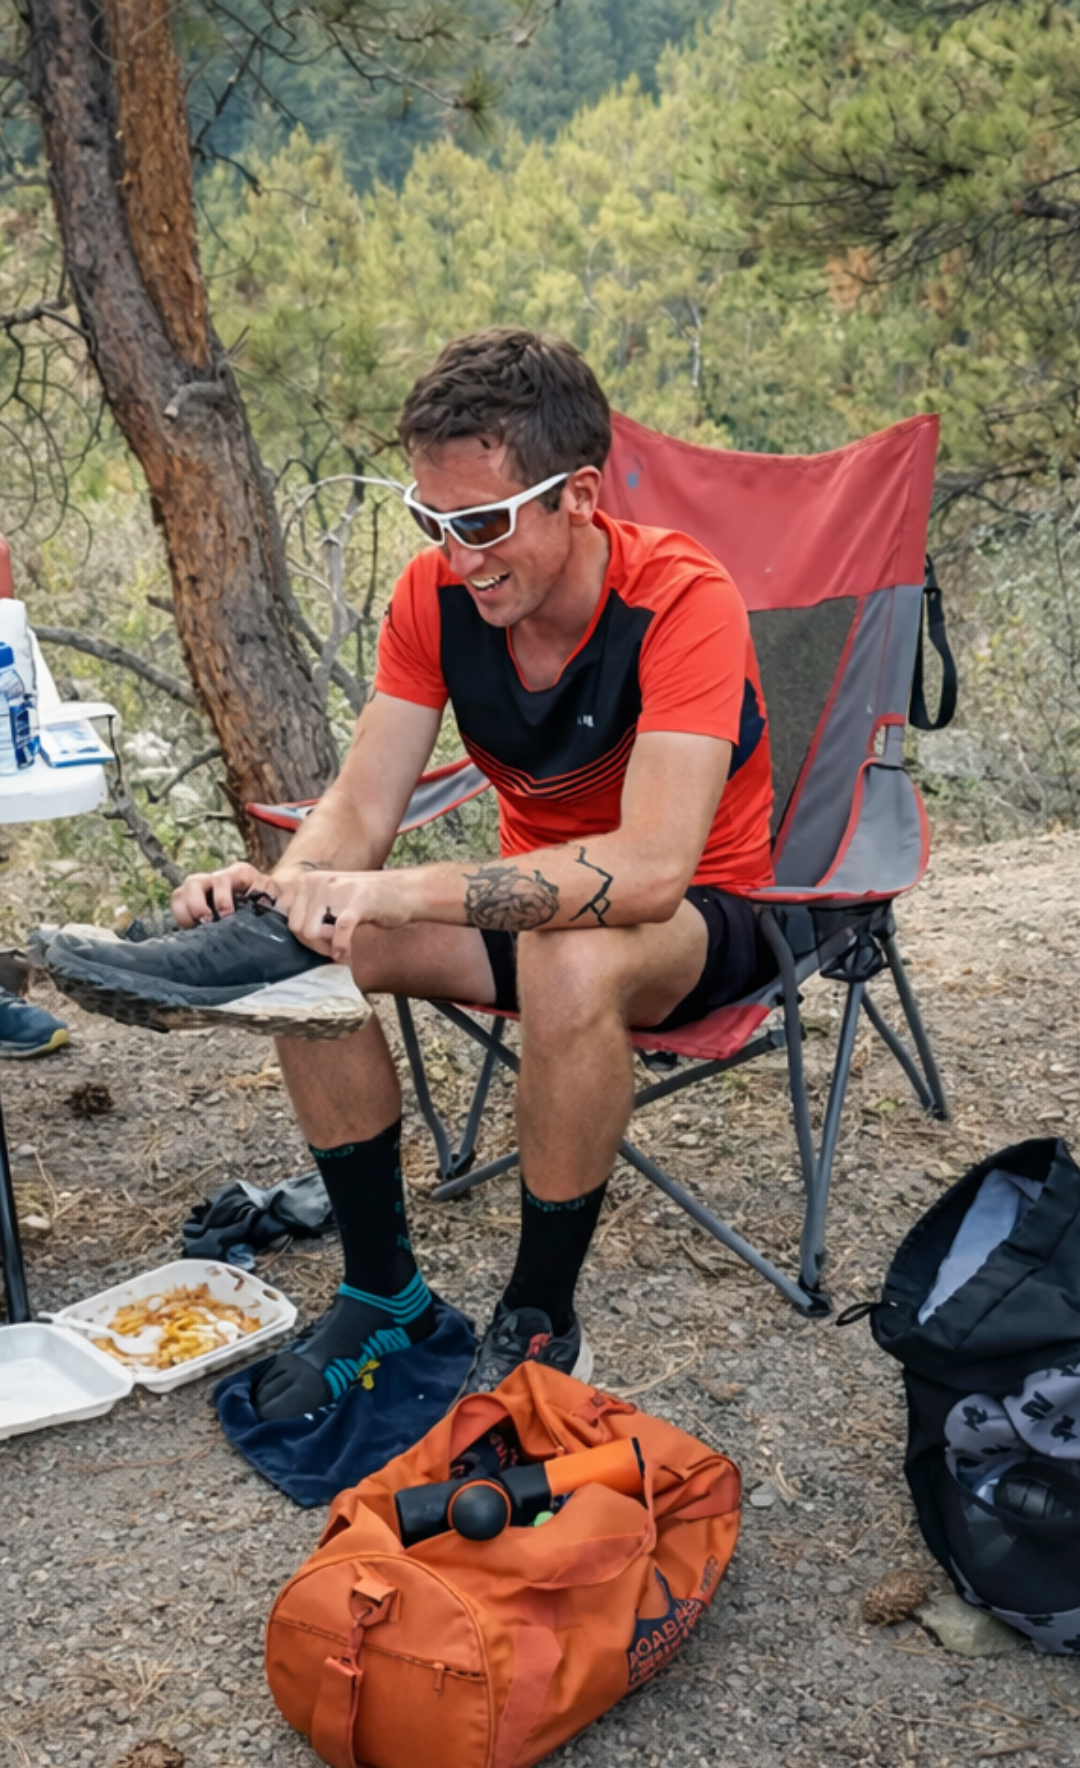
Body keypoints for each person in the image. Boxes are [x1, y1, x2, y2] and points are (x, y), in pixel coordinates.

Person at [44, 328, 775, 1418]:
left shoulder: (680, 602)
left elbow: (651, 871)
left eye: (481, 523)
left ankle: (537, 1315)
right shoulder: (435, 596)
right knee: (313, 946)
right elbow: (361, 807)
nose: (457, 553)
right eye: (431, 520)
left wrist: (397, 892)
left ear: (578, 496)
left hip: (703, 921)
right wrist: (289, 892)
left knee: (569, 962)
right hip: (537, 912)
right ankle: (385, 1292)